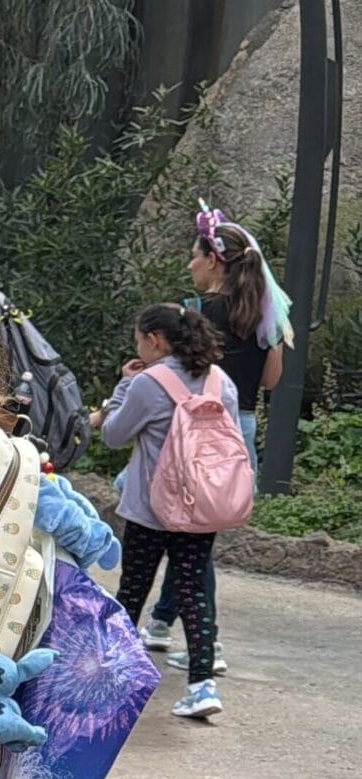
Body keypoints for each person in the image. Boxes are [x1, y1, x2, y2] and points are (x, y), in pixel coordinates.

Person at [143, 210, 288, 673]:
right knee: (196, 528)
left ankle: (209, 642)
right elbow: (270, 381)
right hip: (239, 427)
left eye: (195, 256)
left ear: (214, 261)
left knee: (187, 529)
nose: (191, 265)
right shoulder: (263, 317)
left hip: (193, 426)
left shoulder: (193, 314)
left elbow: (169, 372)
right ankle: (164, 620)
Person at [98, 303, 238, 719]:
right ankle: (202, 685)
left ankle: (114, 677)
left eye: (140, 339)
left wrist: (123, 387)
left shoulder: (149, 383)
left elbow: (113, 434)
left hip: (149, 509)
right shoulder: (220, 381)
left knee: (132, 592)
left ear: (154, 341)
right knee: (193, 592)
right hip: (201, 509)